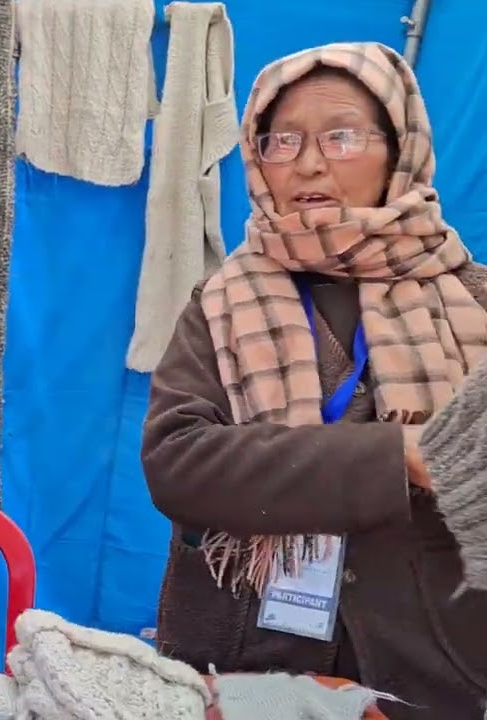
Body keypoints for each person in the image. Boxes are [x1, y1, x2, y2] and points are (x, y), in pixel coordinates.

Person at [142, 42, 487, 719]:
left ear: (401, 147)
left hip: (436, 664)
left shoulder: (475, 303)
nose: (307, 162)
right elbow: (178, 462)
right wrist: (397, 458)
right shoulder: (219, 303)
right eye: (280, 140)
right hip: (246, 663)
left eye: (341, 135)